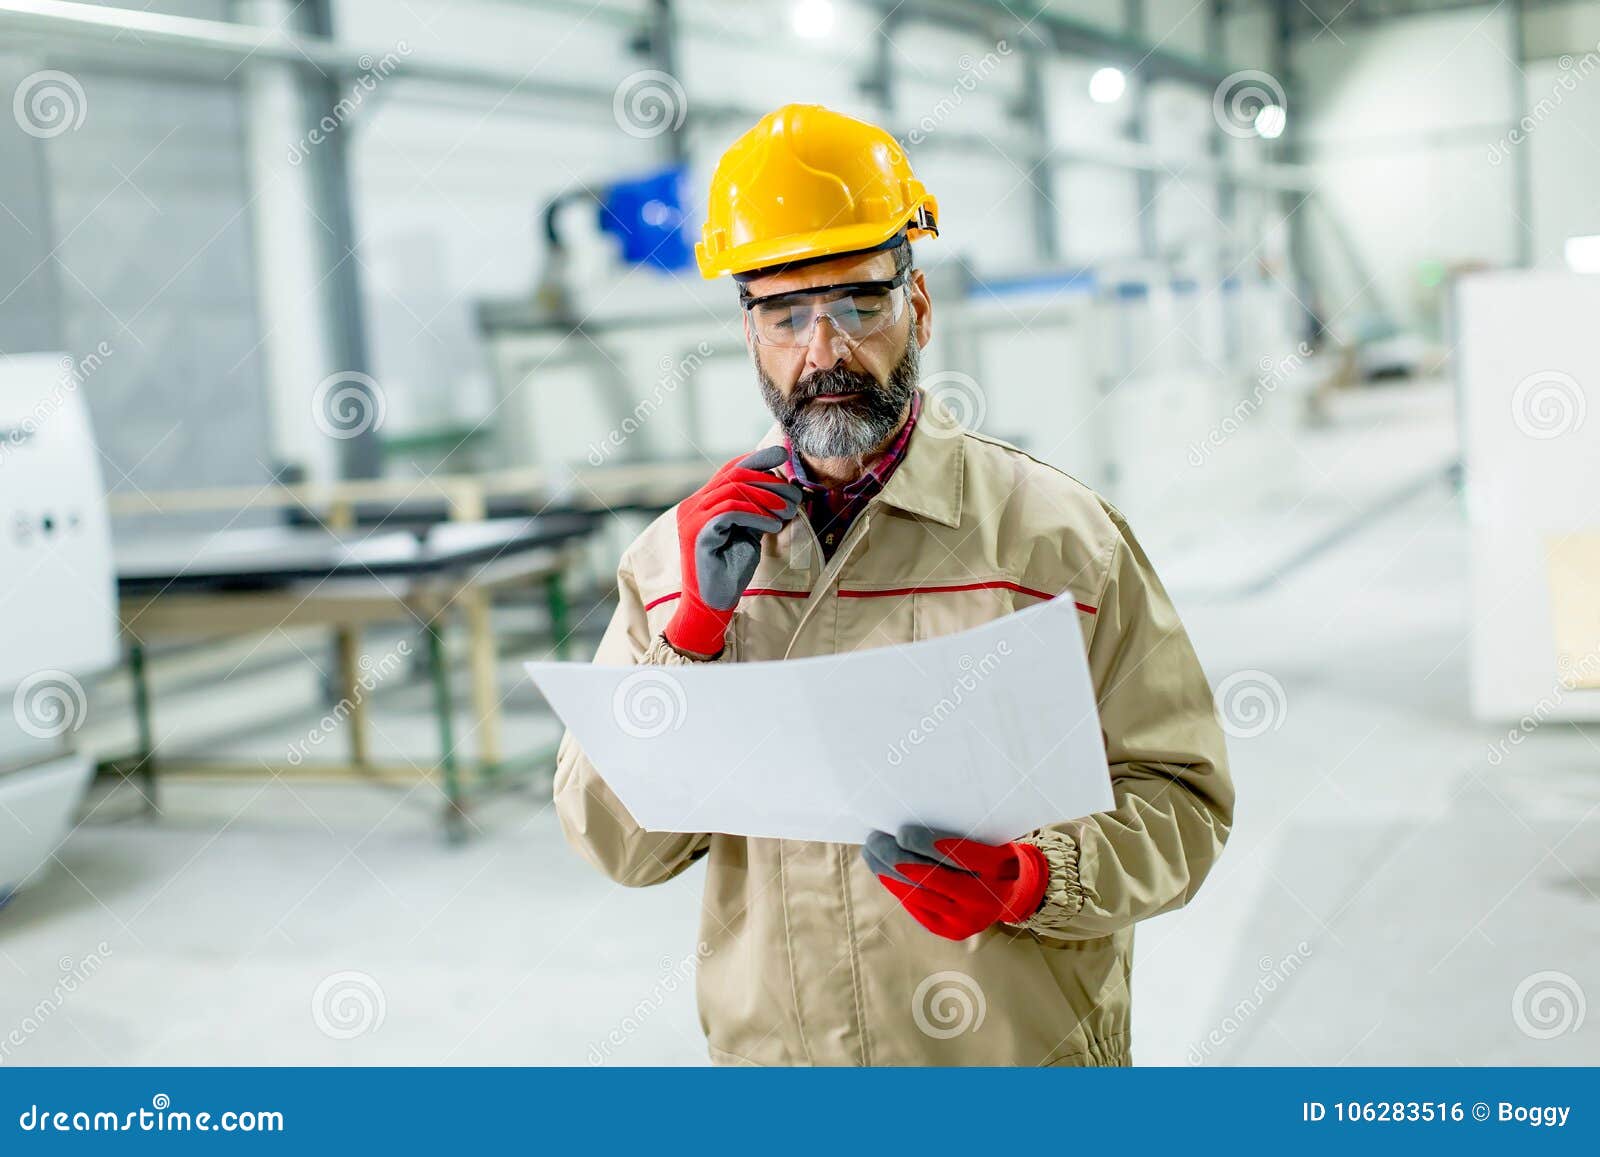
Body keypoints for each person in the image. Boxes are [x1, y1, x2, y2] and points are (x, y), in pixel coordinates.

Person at [555, 103, 1234, 1066]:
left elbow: (1183, 800)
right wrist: (691, 640)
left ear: (917, 308)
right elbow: (619, 846)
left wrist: (1037, 878)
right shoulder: (678, 562)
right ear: (748, 335)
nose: (823, 352)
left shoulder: (1055, 538)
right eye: (785, 315)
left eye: (858, 306)